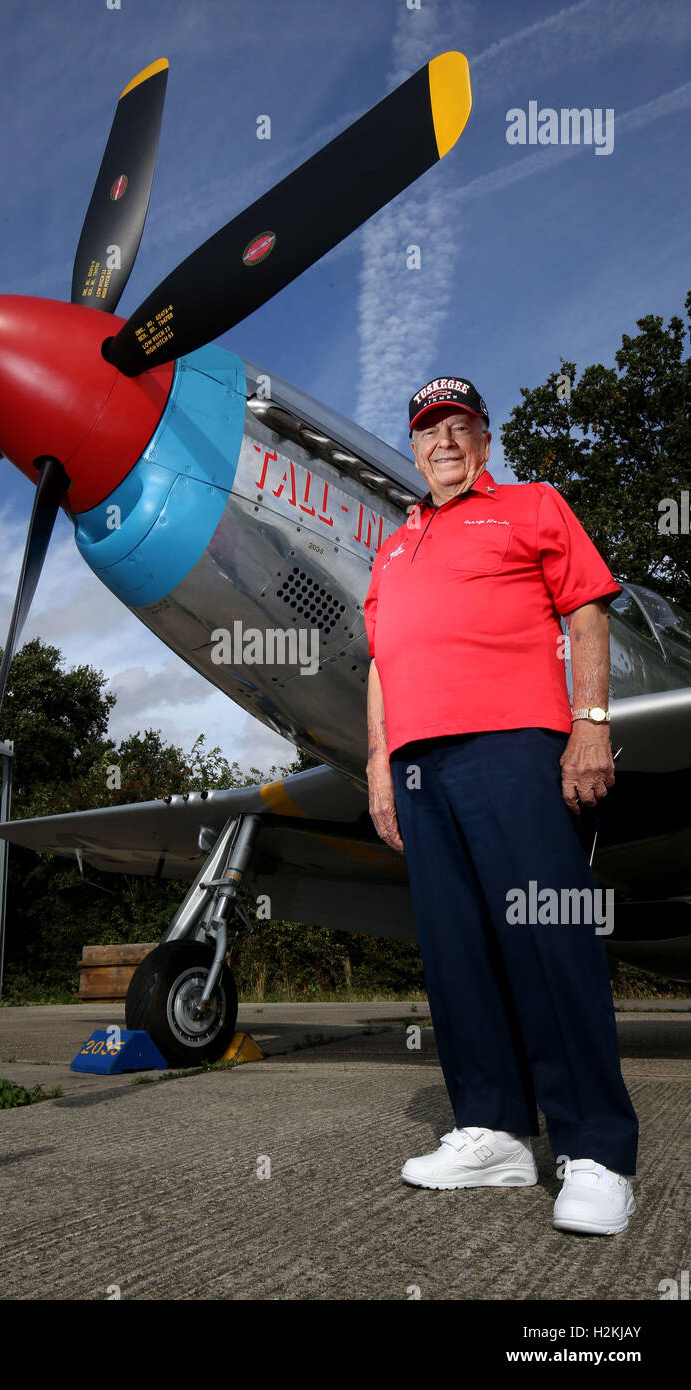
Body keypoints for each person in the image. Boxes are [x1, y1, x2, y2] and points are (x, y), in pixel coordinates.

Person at [364, 376, 638, 1236]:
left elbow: (586, 608)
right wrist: (378, 765)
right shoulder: (392, 546)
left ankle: (595, 1150)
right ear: (412, 447)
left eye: (458, 425)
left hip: (514, 745)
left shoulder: (531, 505)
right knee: (456, 953)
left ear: (483, 437)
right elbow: (381, 660)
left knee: (549, 942)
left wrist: (589, 724)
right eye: (427, 429)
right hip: (417, 768)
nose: (442, 440)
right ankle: (495, 1129)